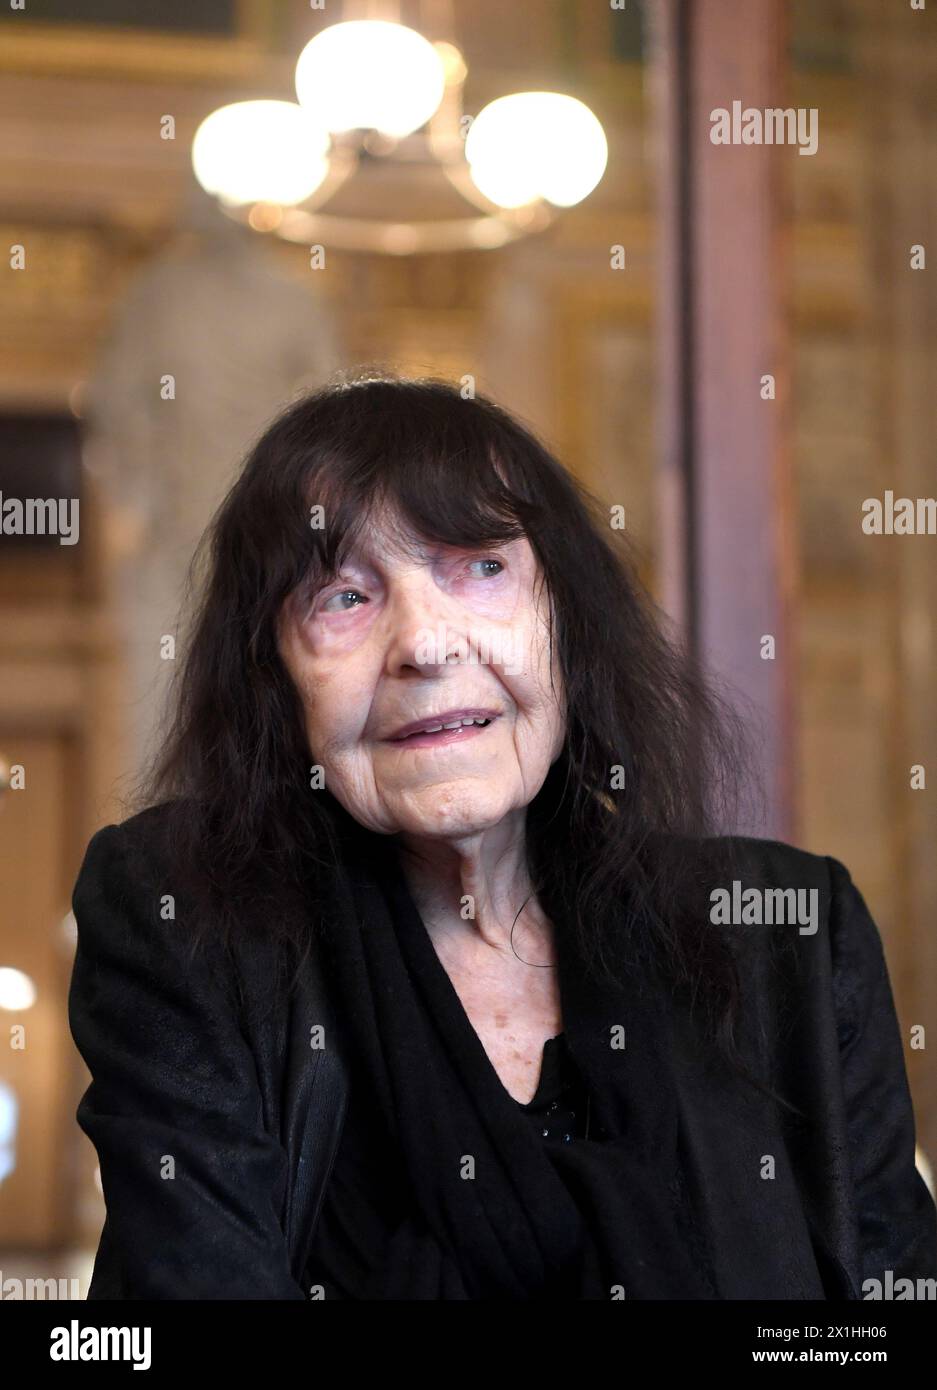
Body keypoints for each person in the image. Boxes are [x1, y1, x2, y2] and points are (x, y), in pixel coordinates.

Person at [68, 375, 937, 1300]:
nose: (426, 645)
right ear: (276, 682)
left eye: (480, 568)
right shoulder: (184, 920)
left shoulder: (790, 934)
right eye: (342, 597)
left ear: (566, 623)